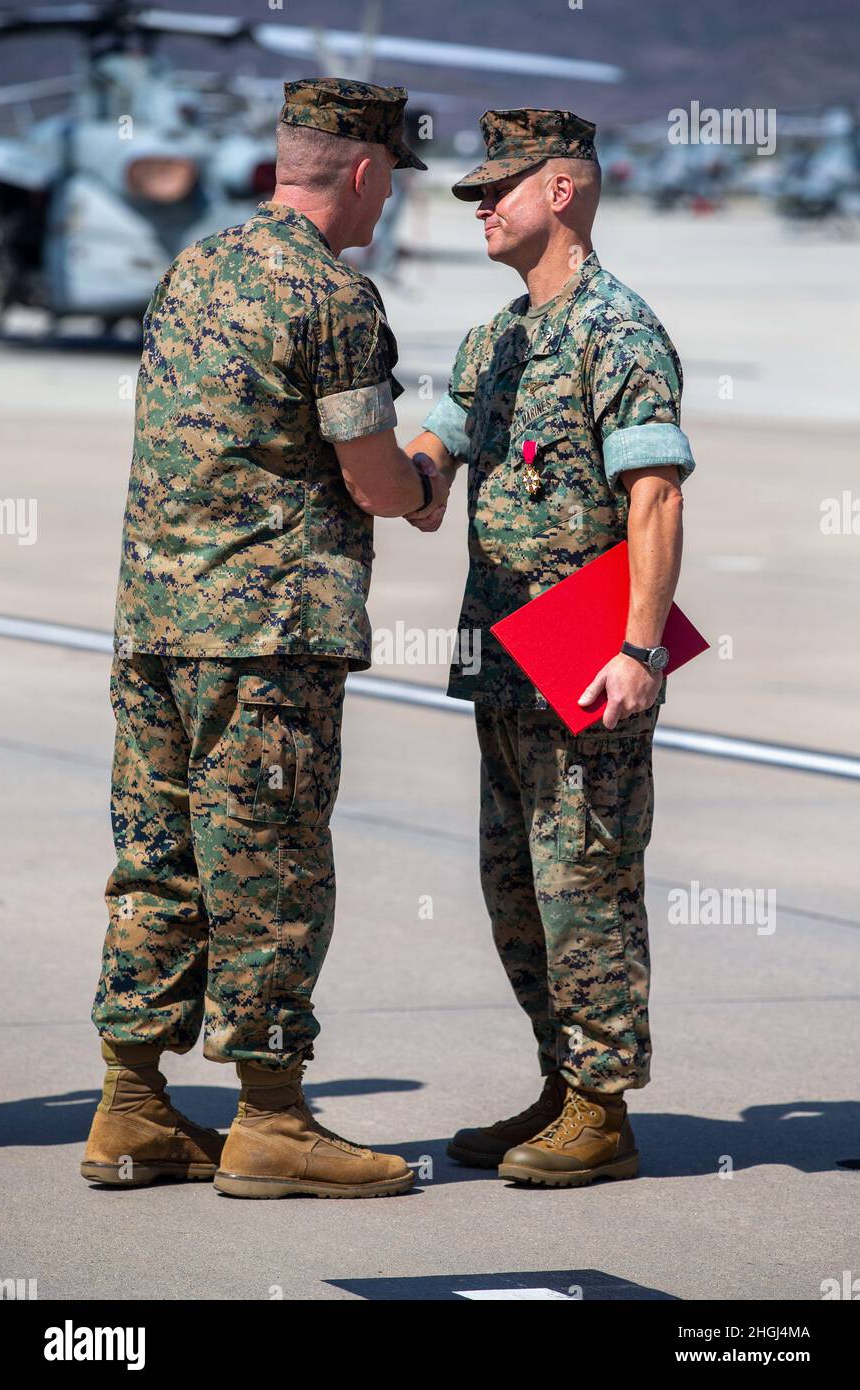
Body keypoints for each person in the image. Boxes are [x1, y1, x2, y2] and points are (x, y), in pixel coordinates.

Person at [83, 78, 445, 1200]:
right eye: (393, 185)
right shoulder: (330, 296)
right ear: (368, 172)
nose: (389, 209)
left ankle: (130, 1106)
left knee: (158, 861)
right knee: (269, 870)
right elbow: (373, 476)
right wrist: (429, 478)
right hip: (265, 640)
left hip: (154, 627)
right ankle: (273, 1119)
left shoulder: (195, 266)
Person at [407, 108, 695, 1187]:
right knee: (514, 886)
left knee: (585, 885)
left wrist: (639, 647)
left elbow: (654, 496)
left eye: (500, 188)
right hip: (502, 657)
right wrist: (407, 469)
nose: (481, 205)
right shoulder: (498, 335)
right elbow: (440, 439)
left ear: (562, 192)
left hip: (585, 658)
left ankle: (600, 1106)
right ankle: (557, 1076)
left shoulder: (616, 331)